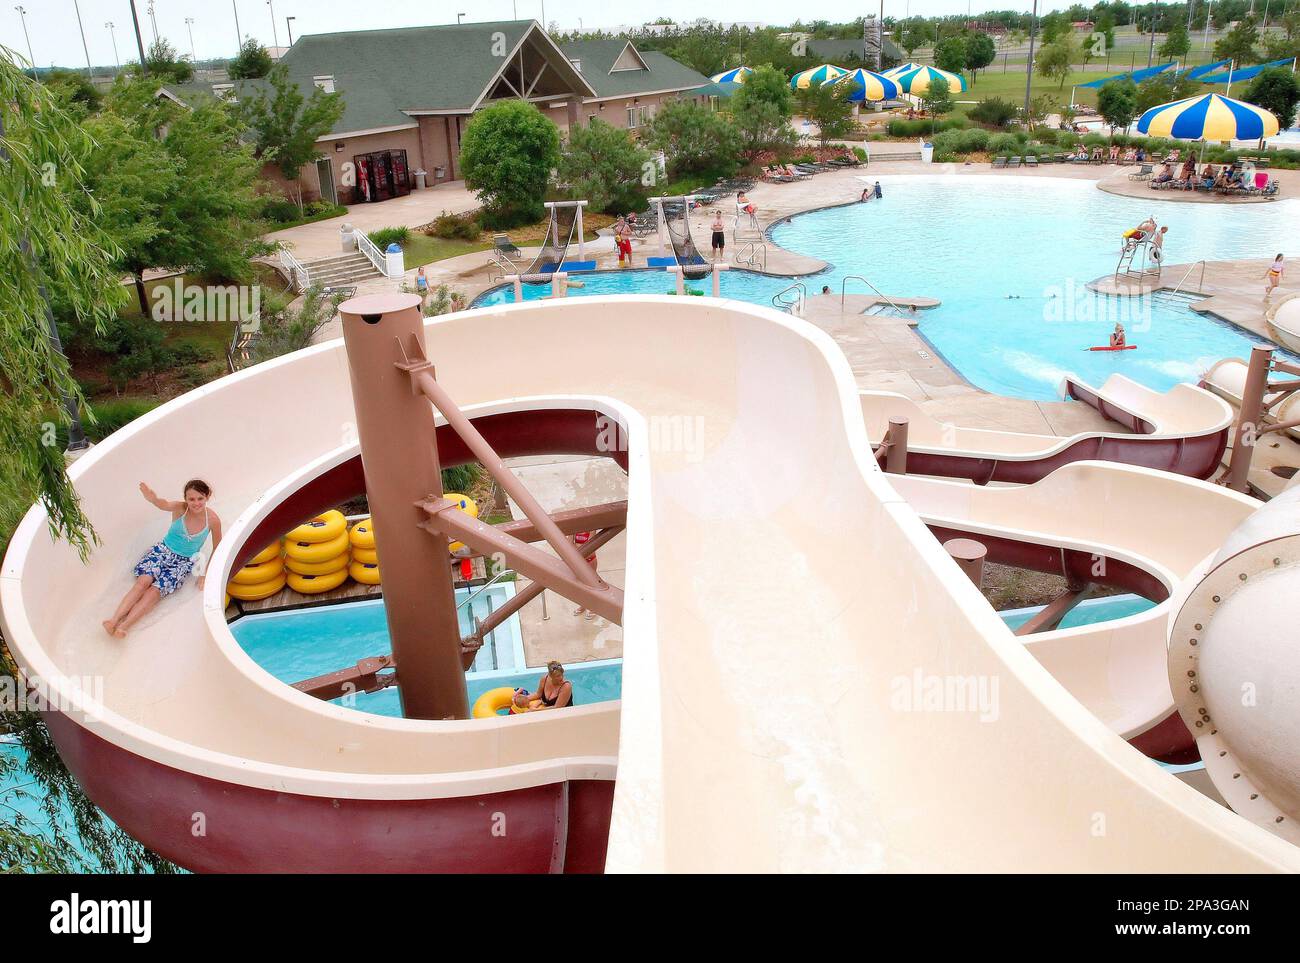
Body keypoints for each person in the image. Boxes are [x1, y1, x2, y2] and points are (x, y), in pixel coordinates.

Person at [103, 480, 222, 639]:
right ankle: (113, 620)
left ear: (207, 496)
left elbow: (217, 548)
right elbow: (163, 504)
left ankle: (124, 626)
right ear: (185, 499)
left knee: (154, 592)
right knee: (143, 582)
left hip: (183, 563)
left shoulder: (213, 520)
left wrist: (204, 574)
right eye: (191, 499)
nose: (196, 503)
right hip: (163, 551)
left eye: (200, 498)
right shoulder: (181, 509)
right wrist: (152, 498)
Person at [570, 531, 599, 621]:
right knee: (581, 585)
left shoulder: (591, 528)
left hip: (590, 560)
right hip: (579, 561)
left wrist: (577, 548)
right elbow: (568, 543)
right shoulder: (574, 527)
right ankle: (583, 605)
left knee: (592, 585)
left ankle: (593, 607)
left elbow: (590, 546)